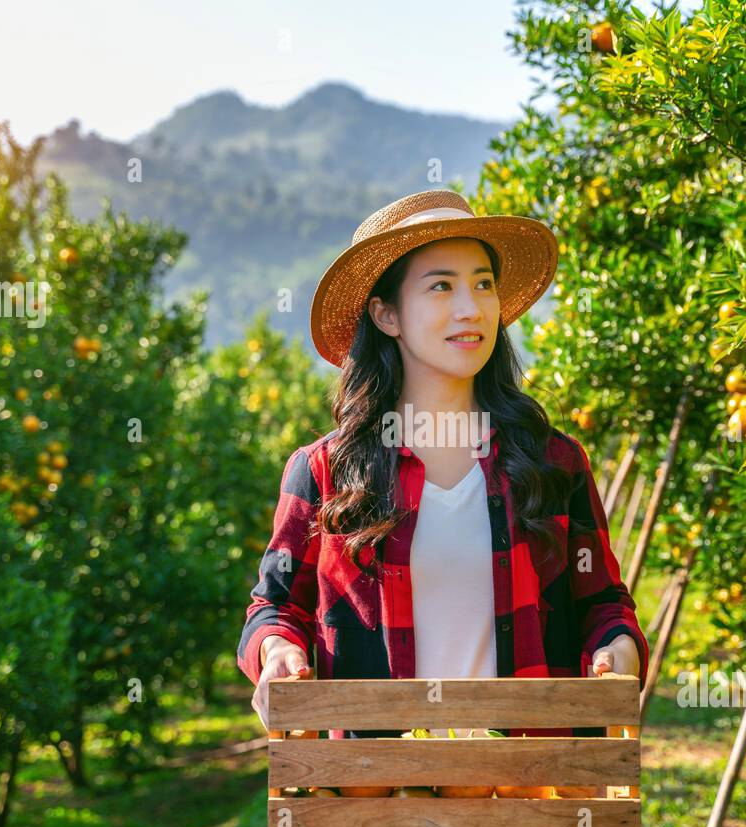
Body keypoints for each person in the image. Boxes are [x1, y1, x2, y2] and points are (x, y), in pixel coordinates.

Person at [237, 188, 648, 739]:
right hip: (378, 794)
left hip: (530, 787)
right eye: (441, 286)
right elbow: (277, 605)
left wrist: (616, 645)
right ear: (387, 315)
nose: (471, 307)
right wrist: (276, 649)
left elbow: (599, 599)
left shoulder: (551, 462)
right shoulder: (326, 472)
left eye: (483, 284)